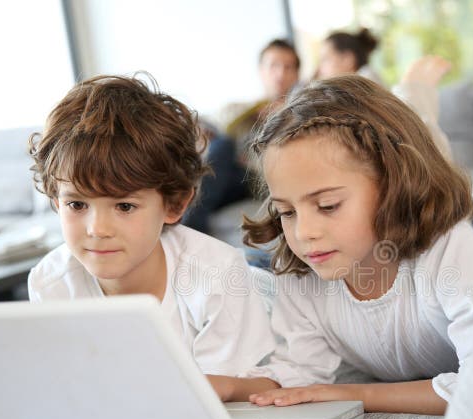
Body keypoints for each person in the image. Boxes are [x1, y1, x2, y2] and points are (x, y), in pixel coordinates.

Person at [239, 75, 473, 415]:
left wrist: (354, 395)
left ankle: (418, 93)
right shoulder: (305, 275)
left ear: (392, 188)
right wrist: (223, 387)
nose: (304, 232)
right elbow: (297, 374)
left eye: (327, 205)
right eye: (287, 211)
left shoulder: (448, 251)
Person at [27, 73, 282, 402]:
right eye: (76, 204)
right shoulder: (51, 282)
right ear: (54, 200)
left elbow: (245, 391)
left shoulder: (218, 276)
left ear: (174, 205)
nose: (97, 229)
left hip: (268, 306)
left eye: (124, 206)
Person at [182, 39, 301, 234]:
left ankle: (189, 228)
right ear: (261, 70)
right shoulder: (240, 108)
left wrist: (281, 118)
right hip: (226, 178)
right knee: (221, 145)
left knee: (224, 147)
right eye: (274, 66)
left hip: (256, 180)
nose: (280, 74)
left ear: (296, 74)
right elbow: (209, 123)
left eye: (288, 67)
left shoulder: (299, 114)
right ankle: (186, 223)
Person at [316, 27, 383, 85]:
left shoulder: (362, 86)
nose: (319, 69)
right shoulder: (365, 78)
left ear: (347, 59)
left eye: (325, 59)